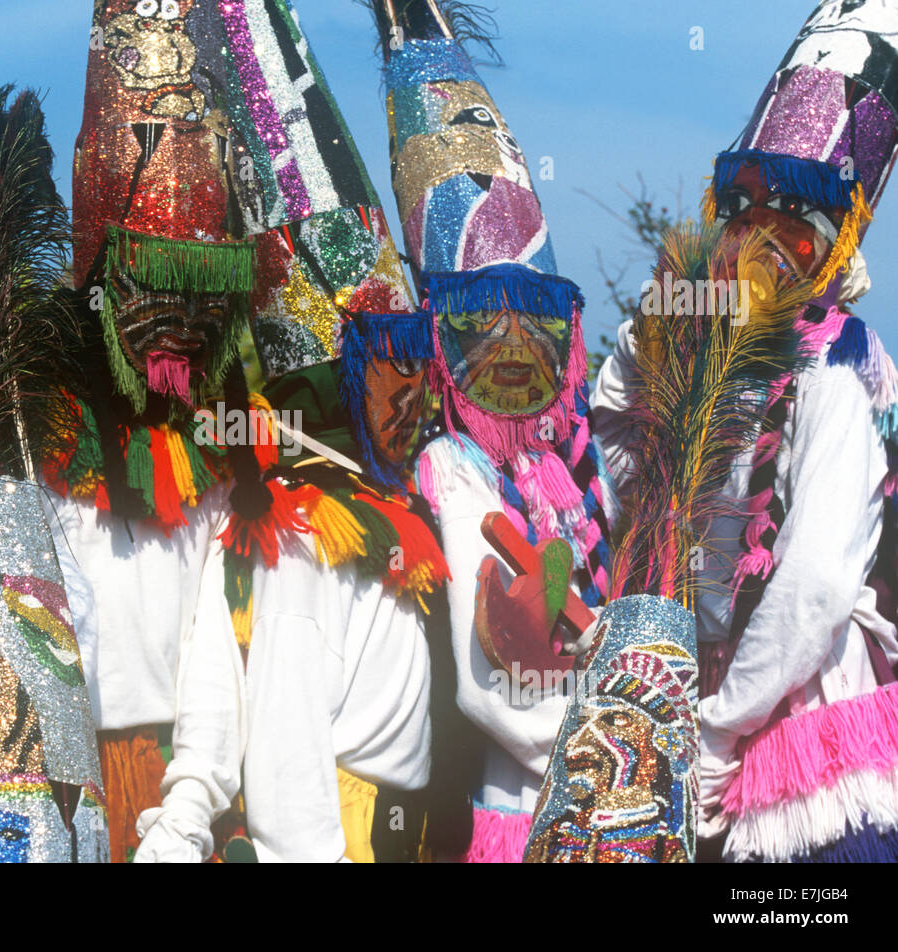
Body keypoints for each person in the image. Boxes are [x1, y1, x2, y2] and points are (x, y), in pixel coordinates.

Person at [592, 0, 898, 862]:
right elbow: (618, 444)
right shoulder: (712, 368)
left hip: (803, 755)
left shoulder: (837, 371)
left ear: (834, 247)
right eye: (742, 207)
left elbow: (810, 587)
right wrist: (665, 327)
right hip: (705, 726)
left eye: (792, 217)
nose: (760, 234)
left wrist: (716, 736)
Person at [371, 0, 615, 863]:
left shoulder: (578, 469)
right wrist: (611, 764)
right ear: (441, 335)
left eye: (535, 318)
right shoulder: (450, 466)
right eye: (483, 319)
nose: (514, 347)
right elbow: (490, 687)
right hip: (537, 813)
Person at [214, 0, 450, 862]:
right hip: (342, 828)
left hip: (397, 821)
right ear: (329, 385)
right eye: (390, 360)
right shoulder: (303, 531)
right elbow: (282, 750)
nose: (416, 387)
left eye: (416, 359)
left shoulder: (389, 505)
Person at [45, 0, 256, 863]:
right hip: (43, 784)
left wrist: (186, 813)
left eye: (205, 301)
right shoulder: (30, 438)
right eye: (152, 292)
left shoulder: (214, 461)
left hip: (171, 796)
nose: (183, 329)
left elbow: (213, 663)